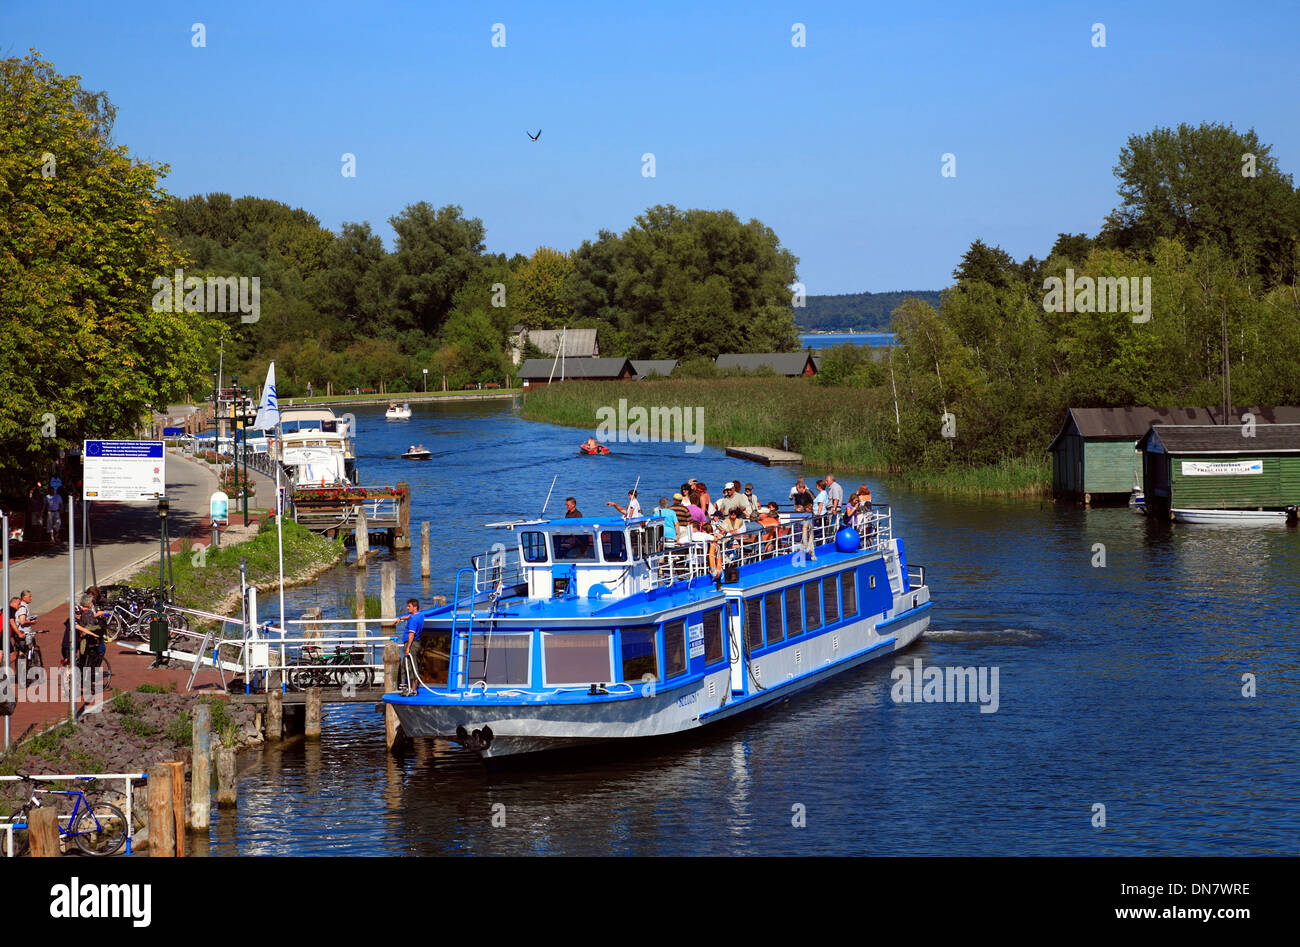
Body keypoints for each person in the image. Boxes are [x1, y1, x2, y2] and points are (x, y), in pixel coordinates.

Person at [399, 598, 424, 692]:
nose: (407, 608)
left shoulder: (413, 619)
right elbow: (410, 616)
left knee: (410, 666)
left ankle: (413, 689)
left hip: (412, 644)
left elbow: (411, 634)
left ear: (415, 607)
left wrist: (408, 647)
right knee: (409, 665)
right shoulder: (419, 615)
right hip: (416, 643)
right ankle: (410, 687)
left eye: (409, 606)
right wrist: (401, 618)